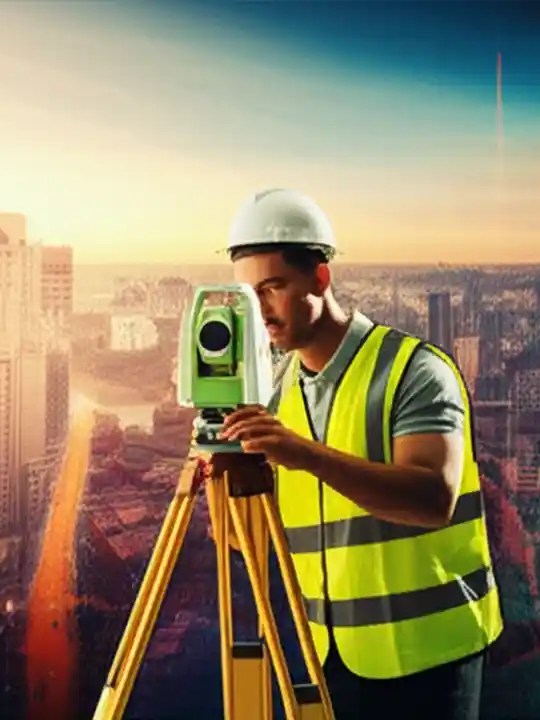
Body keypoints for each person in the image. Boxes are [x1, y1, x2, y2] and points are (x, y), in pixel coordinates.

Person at [212, 188, 503, 720]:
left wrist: (307, 455)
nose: (261, 311)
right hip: (329, 657)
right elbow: (256, 542)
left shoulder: (414, 370)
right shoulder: (277, 395)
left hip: (431, 660)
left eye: (273, 288)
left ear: (320, 277)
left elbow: (431, 497)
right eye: (249, 295)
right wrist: (225, 482)